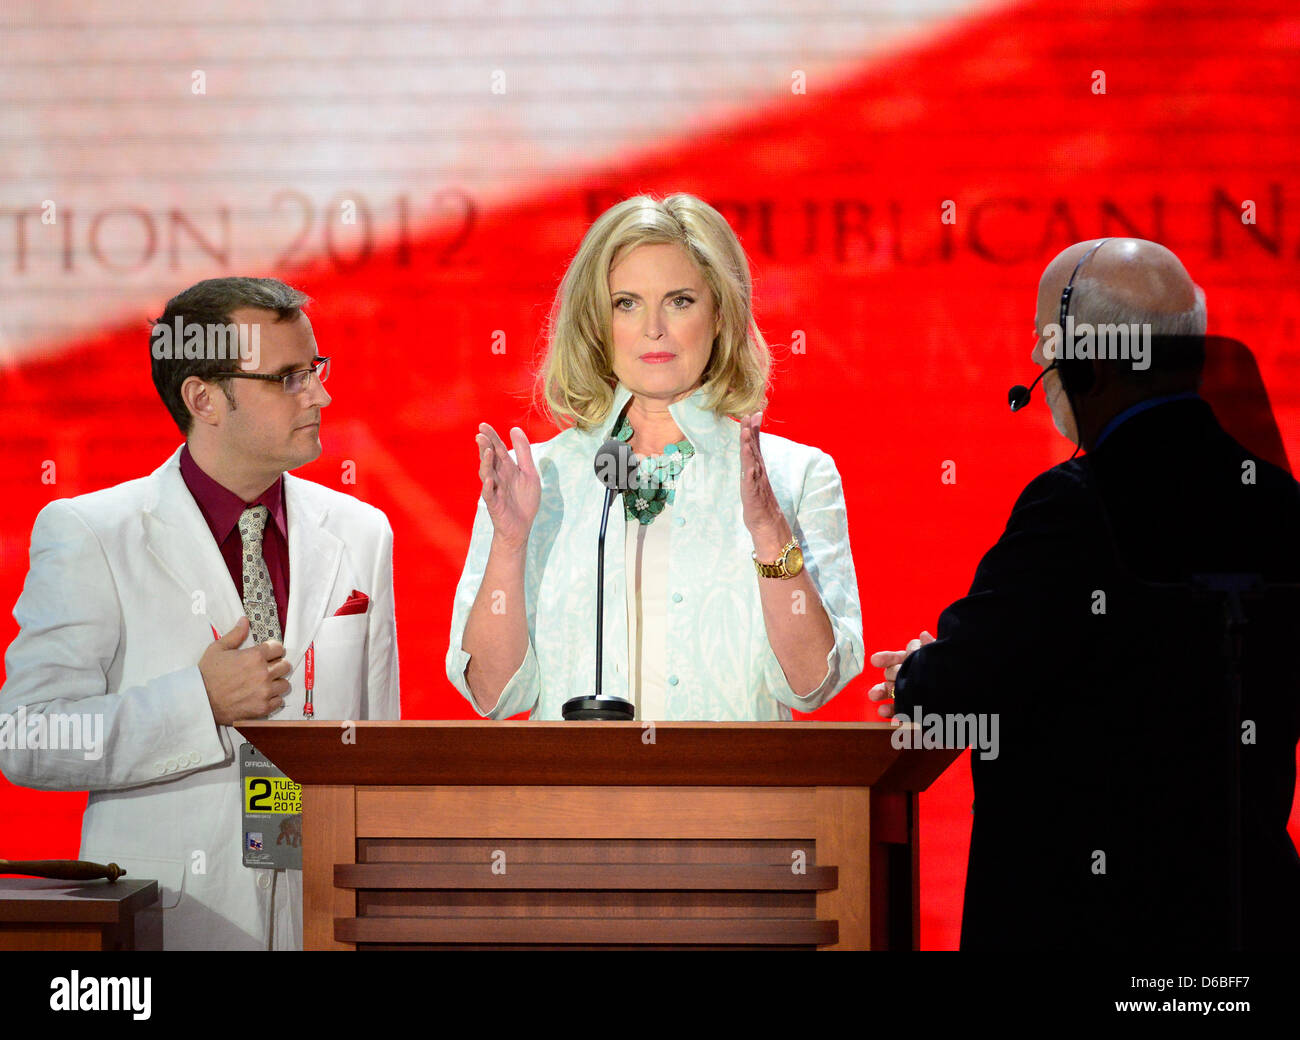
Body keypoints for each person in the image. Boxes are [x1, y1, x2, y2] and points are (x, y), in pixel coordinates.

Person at [869, 239, 1300, 950]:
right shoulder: (1282, 504)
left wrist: (919, 673)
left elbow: (961, 688)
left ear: (1083, 364)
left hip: (1078, 926)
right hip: (1245, 923)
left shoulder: (1074, 505)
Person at [0, 277, 400, 950]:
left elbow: (379, 748)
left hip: (329, 918)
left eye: (317, 370)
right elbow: (29, 735)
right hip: (175, 921)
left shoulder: (363, 532)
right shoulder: (91, 532)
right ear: (203, 398)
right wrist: (198, 702)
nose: (321, 395)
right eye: (289, 379)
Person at [447, 193, 864, 720]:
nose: (653, 328)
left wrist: (768, 533)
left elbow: (812, 684)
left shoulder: (796, 476)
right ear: (598, 324)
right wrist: (510, 544)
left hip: (729, 798)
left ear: (719, 316)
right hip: (578, 800)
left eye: (680, 301)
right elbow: (492, 694)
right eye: (627, 303)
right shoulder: (539, 477)